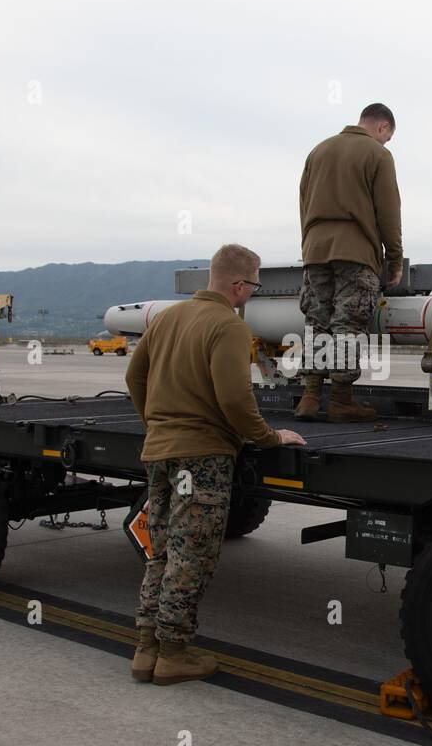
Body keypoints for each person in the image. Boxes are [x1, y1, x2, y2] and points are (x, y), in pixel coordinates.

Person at [125, 244, 306, 684]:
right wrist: (268, 437)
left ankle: (146, 649)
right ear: (239, 285)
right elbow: (234, 398)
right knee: (191, 555)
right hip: (202, 457)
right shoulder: (228, 326)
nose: (254, 293)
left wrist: (157, 422)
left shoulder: (166, 318)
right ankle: (173, 654)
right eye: (255, 285)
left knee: (161, 552)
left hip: (159, 451)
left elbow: (134, 376)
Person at [296, 103, 403, 422]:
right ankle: (341, 400)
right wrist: (394, 258)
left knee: (317, 321)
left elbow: (303, 203)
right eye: (387, 137)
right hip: (356, 252)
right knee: (349, 323)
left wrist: (310, 245)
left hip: (315, 250)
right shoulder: (378, 155)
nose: (385, 142)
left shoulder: (318, 151)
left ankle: (310, 397)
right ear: (383, 127)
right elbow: (388, 212)